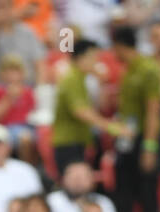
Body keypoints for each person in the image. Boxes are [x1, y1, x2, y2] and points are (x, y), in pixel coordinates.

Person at [111, 25, 160, 212]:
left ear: (120, 46)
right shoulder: (129, 69)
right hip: (127, 137)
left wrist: (149, 147)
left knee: (147, 192)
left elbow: (153, 111)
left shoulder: (148, 69)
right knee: (124, 190)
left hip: (143, 138)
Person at [51, 38, 128, 173]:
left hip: (77, 140)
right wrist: (110, 126)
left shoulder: (81, 79)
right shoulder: (72, 80)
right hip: (68, 143)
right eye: (94, 58)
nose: (97, 63)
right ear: (81, 58)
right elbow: (81, 112)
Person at [0, 0, 44, 85]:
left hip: (26, 87)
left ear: (12, 8)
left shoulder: (27, 31)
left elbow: (39, 63)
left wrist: (40, 87)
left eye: (6, 7)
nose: (3, 12)